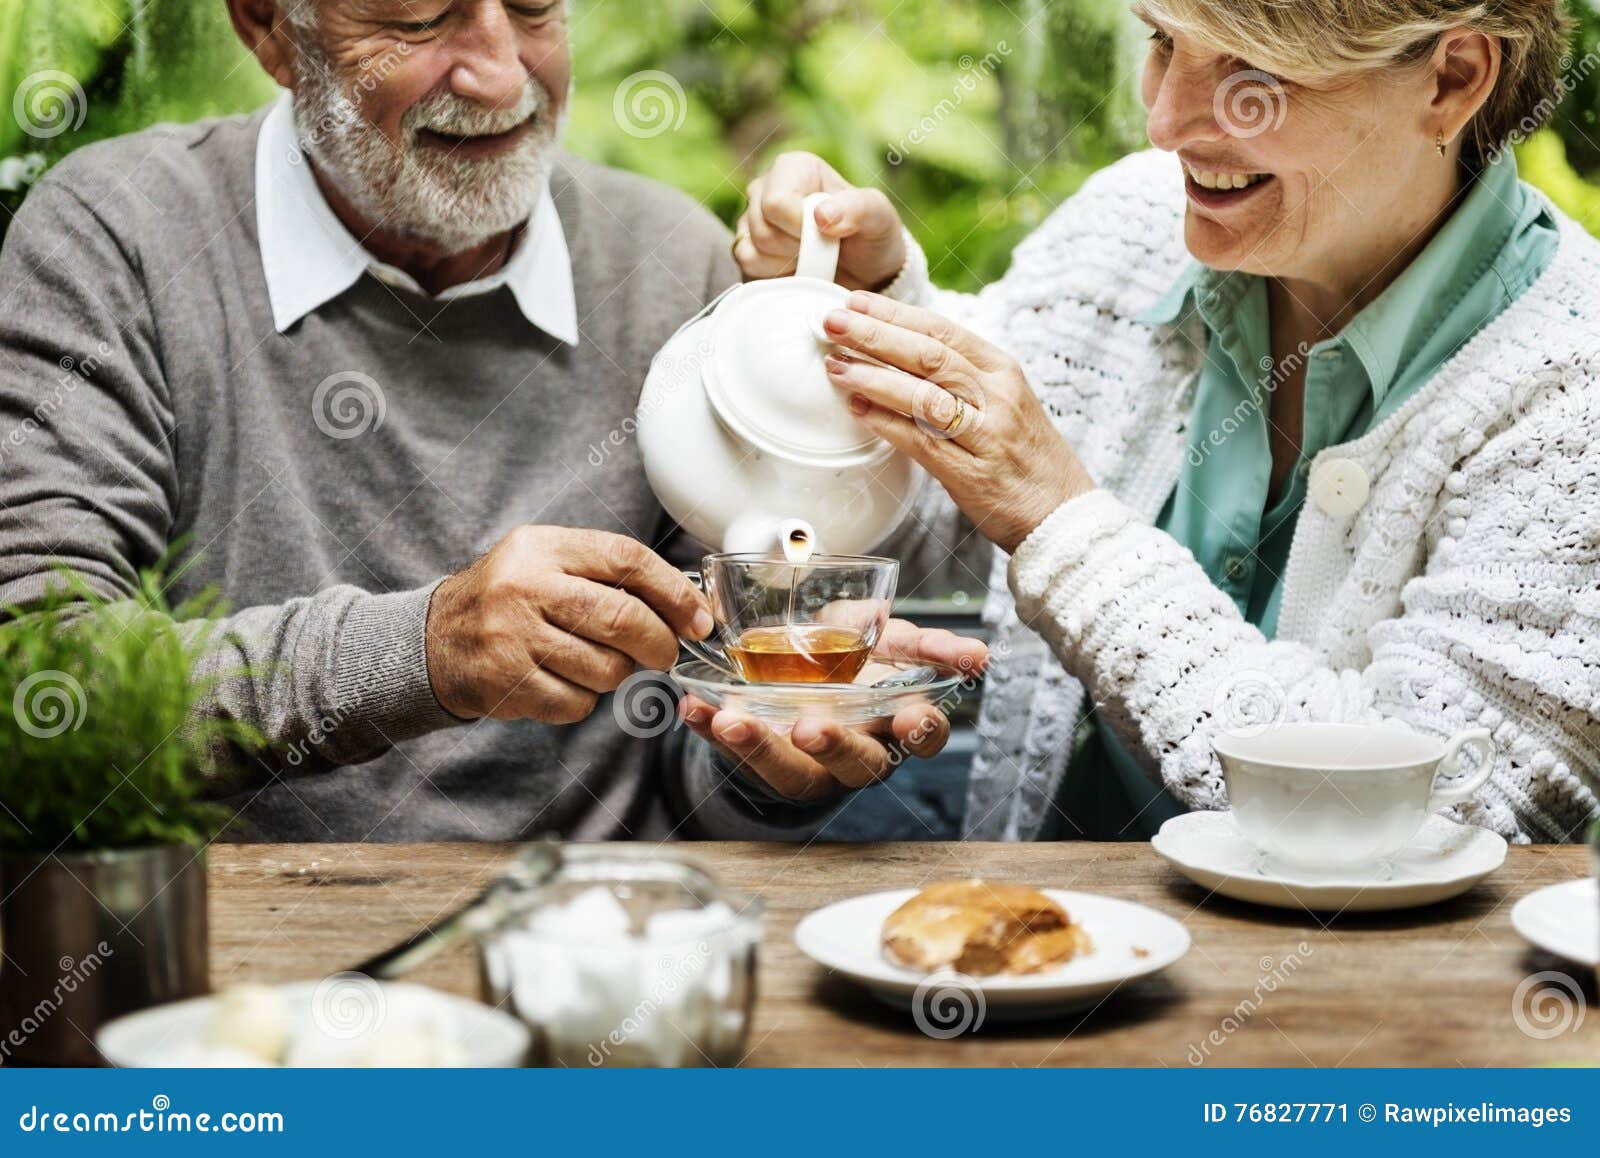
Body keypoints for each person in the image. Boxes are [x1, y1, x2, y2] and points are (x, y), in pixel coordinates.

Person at [0, 0, 980, 842]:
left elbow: (699, 755)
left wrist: (775, 758)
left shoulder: (670, 262)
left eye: (535, 6)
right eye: (420, 17)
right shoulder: (120, 238)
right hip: (241, 964)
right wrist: (424, 651)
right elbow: (33, 689)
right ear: (268, 26)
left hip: (594, 952)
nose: (502, 74)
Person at [736, 0, 1600, 843]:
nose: (1164, 123)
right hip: (1044, 926)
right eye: (1162, 42)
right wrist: (865, 315)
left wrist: (1064, 526)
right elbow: (953, 518)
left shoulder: (1572, 384)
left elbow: (1439, 814)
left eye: (1252, 72)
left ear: (1451, 79)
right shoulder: (1133, 221)